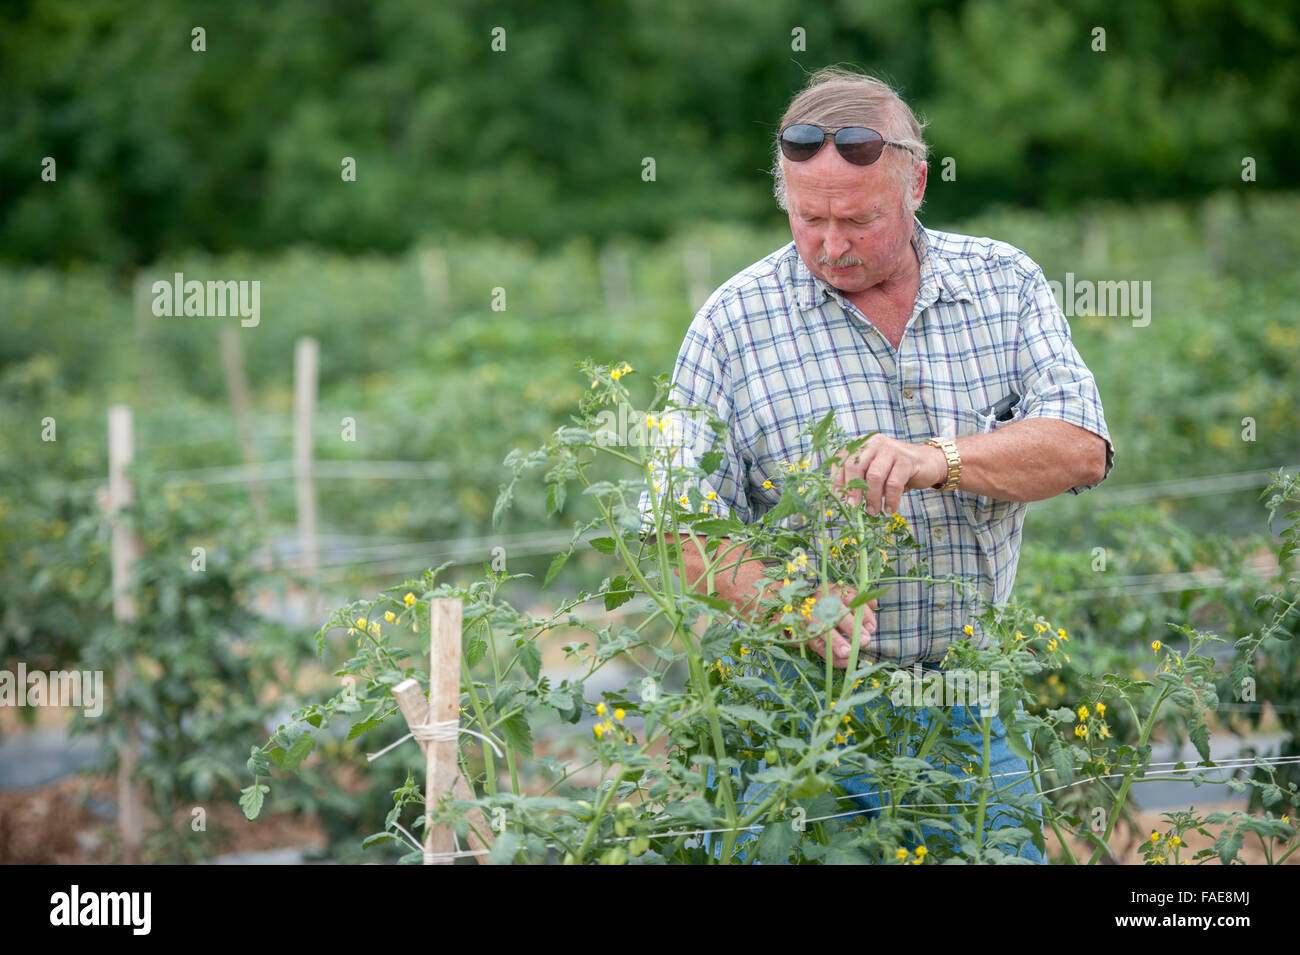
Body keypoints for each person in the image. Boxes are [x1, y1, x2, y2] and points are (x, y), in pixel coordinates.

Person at [639, 66, 1115, 863]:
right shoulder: (728, 324)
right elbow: (673, 524)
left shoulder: (1005, 285)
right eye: (807, 217)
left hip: (967, 701)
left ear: (917, 183)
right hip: (805, 719)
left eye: (857, 220)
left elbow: (1082, 447)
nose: (830, 244)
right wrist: (792, 603)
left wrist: (941, 459)